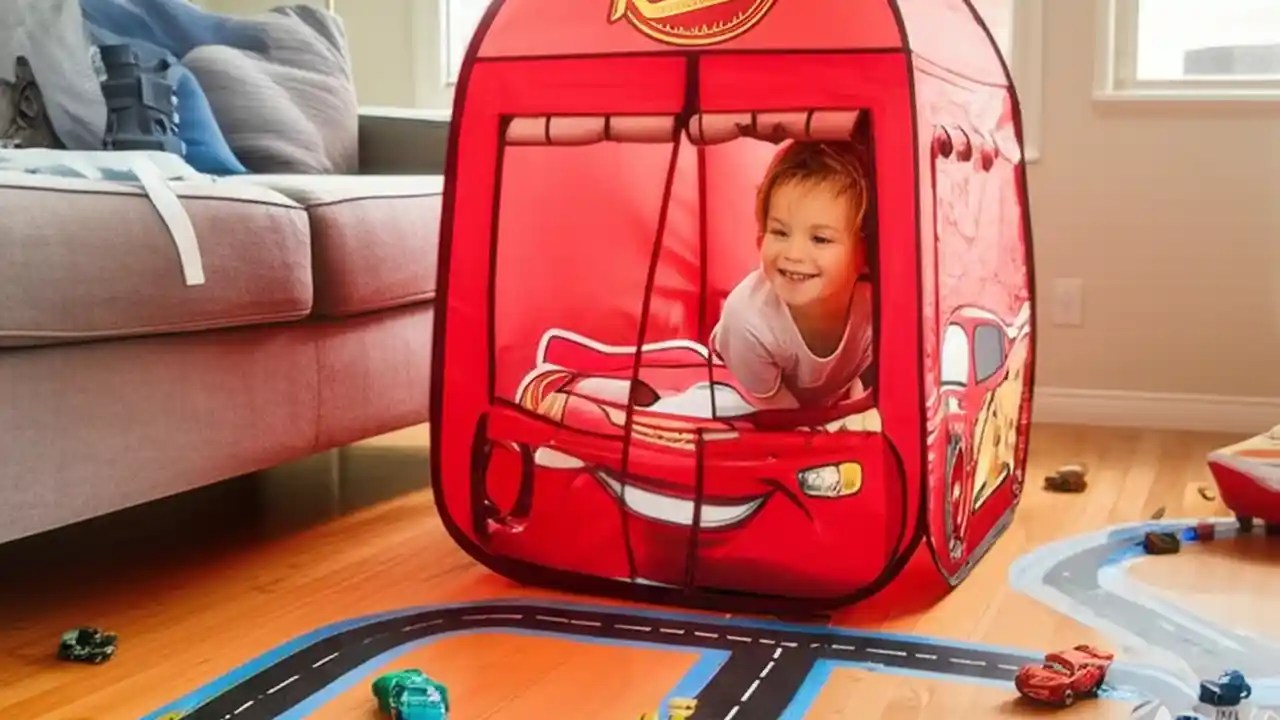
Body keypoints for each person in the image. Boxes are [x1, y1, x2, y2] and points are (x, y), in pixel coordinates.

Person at [710, 139, 875, 410]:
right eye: (780, 232)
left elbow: (850, 375)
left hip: (817, 405)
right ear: (760, 239)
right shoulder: (747, 319)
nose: (794, 253)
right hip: (737, 400)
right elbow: (781, 416)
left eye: (820, 239)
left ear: (865, 254)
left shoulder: (877, 307)